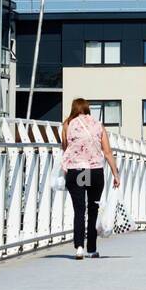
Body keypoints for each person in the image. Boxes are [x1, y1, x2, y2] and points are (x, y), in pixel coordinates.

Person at [61, 98, 120, 259]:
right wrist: (115, 174)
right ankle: (92, 249)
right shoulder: (98, 124)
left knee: (79, 209)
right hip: (95, 171)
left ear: (74, 109)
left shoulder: (68, 124)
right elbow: (107, 152)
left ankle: (79, 247)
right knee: (93, 209)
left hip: (79, 171)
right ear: (87, 109)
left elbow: (65, 147)